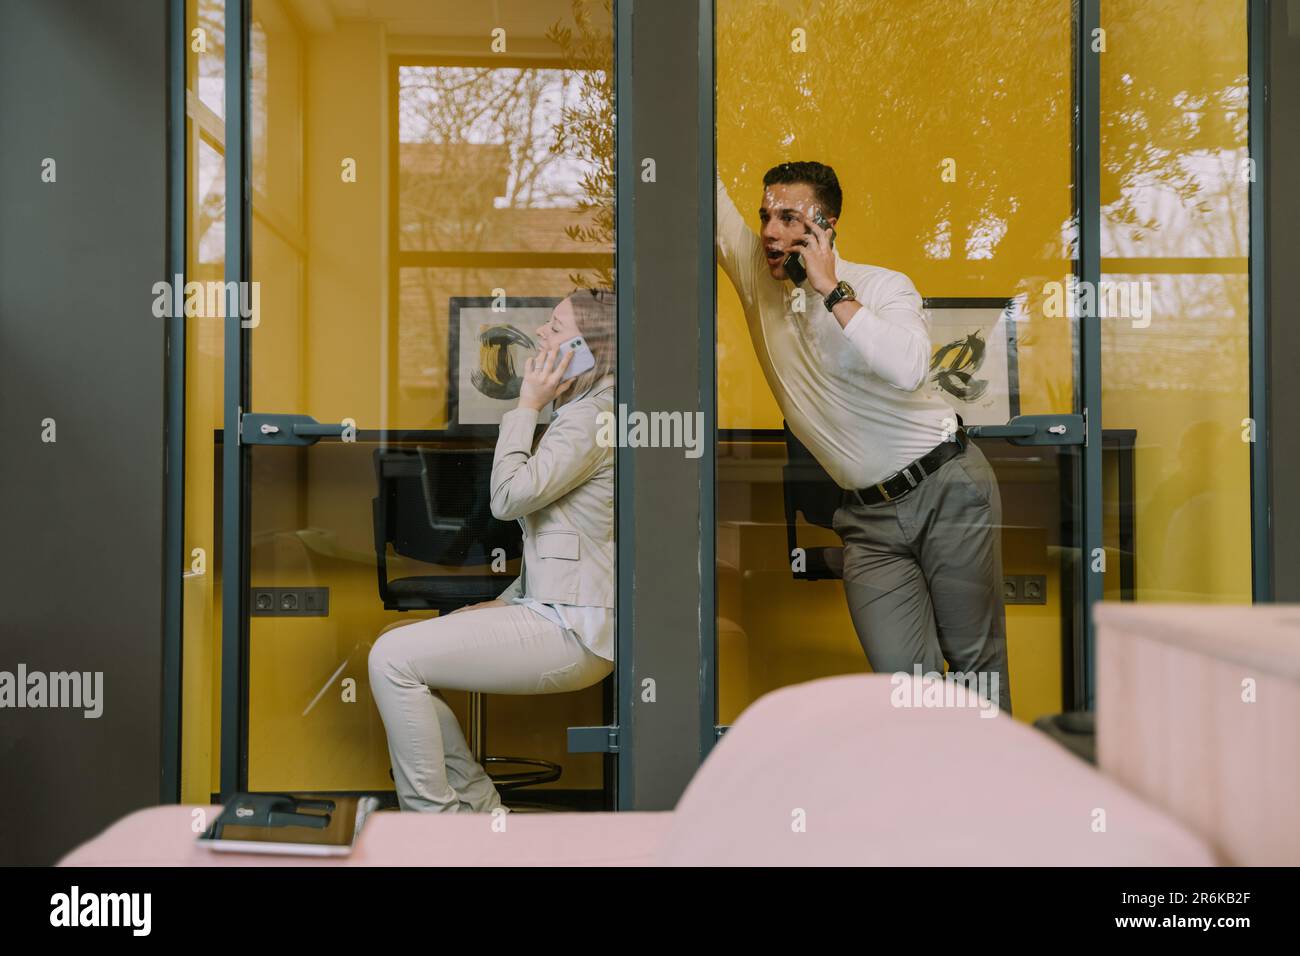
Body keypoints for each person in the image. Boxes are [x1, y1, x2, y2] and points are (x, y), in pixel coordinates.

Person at [716, 161, 1012, 715]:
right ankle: (928, 794)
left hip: (946, 486)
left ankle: (995, 796)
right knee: (905, 682)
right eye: (764, 217)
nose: (770, 232)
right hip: (868, 520)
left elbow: (908, 367)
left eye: (788, 217)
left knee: (976, 663)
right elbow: (702, 188)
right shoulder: (758, 276)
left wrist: (831, 288)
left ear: (825, 227)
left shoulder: (881, 286)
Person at [368, 288, 616, 812]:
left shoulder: (589, 418)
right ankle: (479, 814)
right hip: (553, 610)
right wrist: (504, 603)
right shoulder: (587, 412)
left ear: (586, 349)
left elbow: (507, 499)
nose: (541, 336)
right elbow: (564, 540)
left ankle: (438, 822)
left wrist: (526, 404)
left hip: (573, 628)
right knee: (397, 642)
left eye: (554, 327)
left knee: (392, 658)